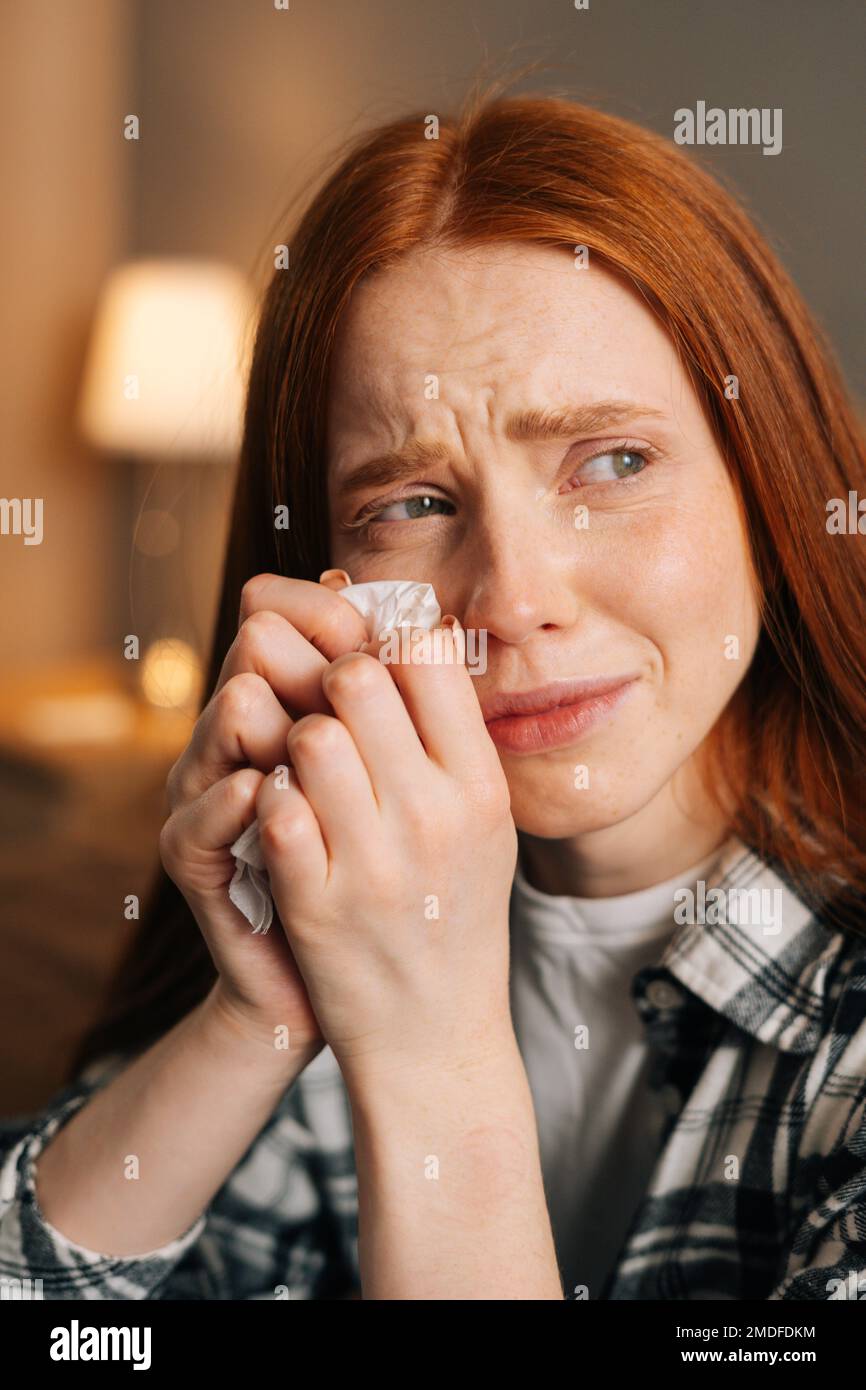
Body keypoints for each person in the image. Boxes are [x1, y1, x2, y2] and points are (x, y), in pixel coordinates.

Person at [2, 84, 864, 1301]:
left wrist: (428, 1046)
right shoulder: (343, 911)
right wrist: (256, 1015)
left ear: (767, 489)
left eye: (611, 462)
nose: (512, 596)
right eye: (411, 503)